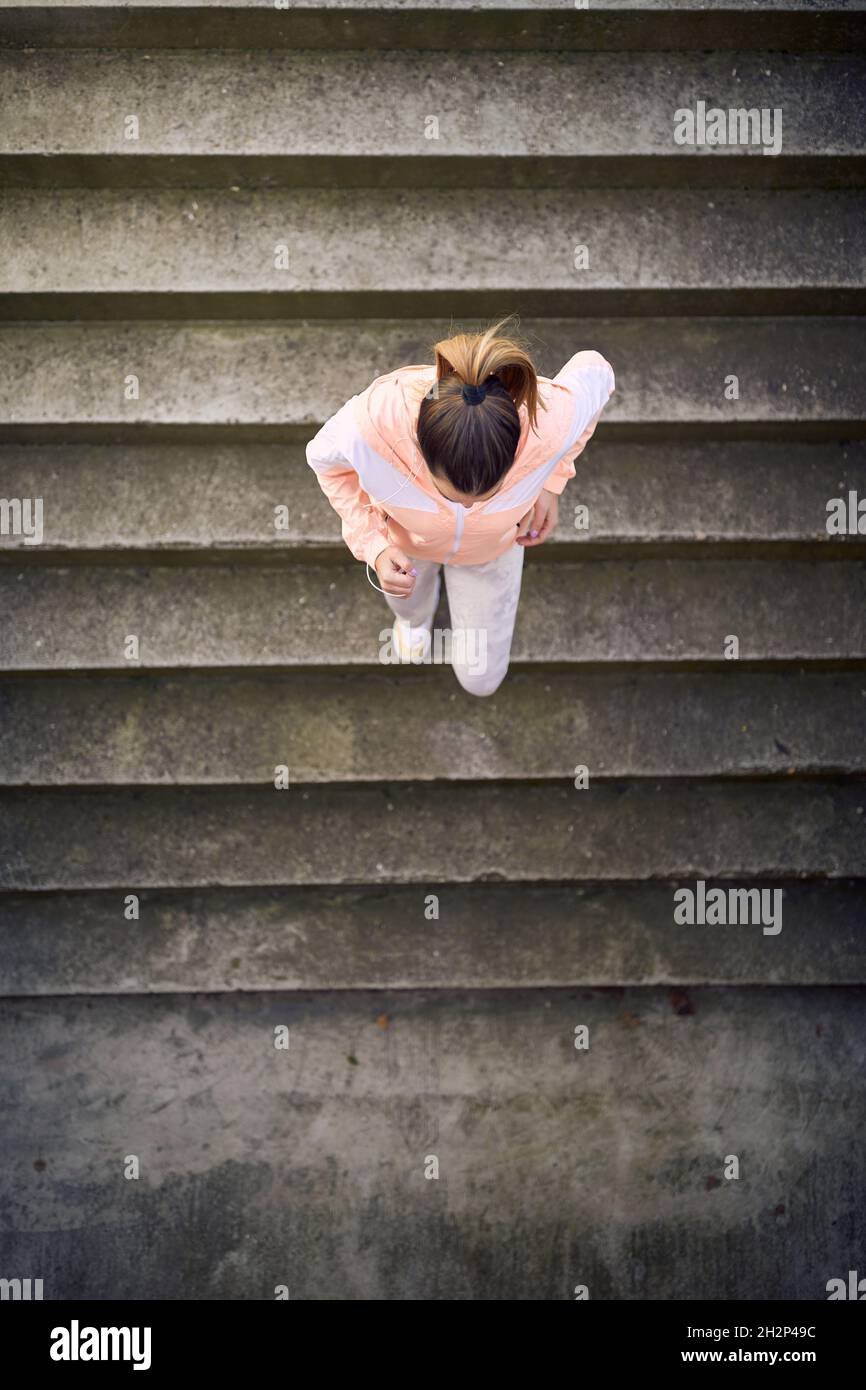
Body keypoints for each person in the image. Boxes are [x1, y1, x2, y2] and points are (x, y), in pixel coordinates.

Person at [306, 320, 615, 696]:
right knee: (408, 606)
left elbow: (596, 371)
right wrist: (375, 544)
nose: (468, 507)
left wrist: (553, 481)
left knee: (480, 679)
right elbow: (324, 462)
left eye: (488, 494)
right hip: (405, 546)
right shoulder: (371, 426)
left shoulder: (548, 421)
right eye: (453, 495)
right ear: (421, 452)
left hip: (493, 552)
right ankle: (416, 621)